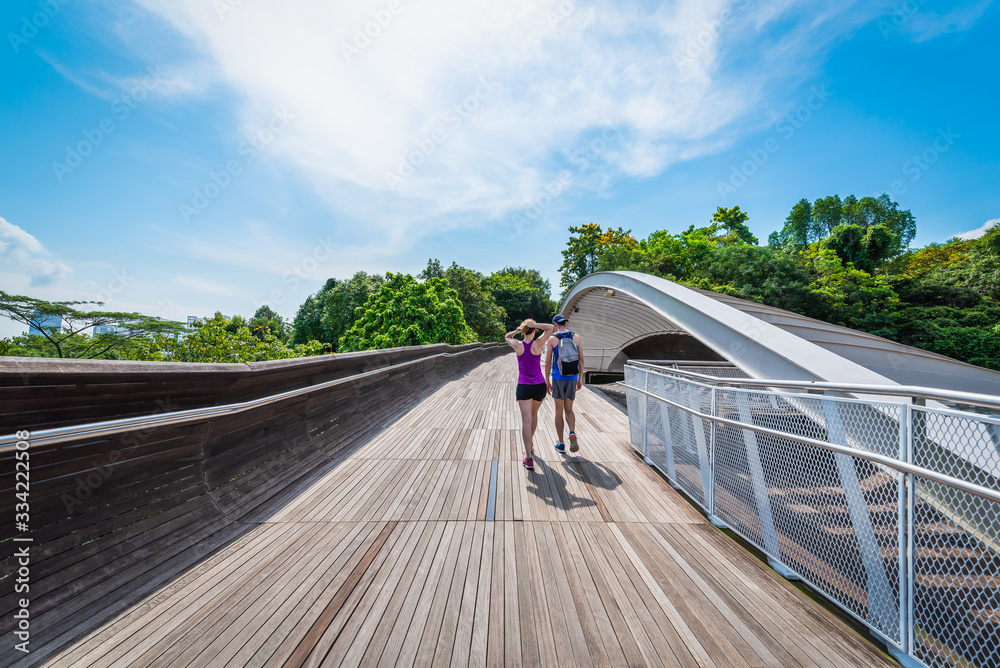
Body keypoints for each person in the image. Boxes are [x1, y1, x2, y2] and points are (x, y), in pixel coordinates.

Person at [505, 318, 553, 470]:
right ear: (533, 331)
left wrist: (517, 331)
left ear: (523, 331)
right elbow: (551, 328)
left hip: (524, 386)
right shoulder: (538, 343)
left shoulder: (518, 345)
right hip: (539, 385)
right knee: (534, 415)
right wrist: (536, 325)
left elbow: (507, 337)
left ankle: (529, 457)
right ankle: (530, 442)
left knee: (526, 420)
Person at [544, 313, 584, 453]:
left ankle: (561, 443)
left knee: (558, 410)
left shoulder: (552, 339)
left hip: (558, 377)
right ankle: (572, 432)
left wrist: (547, 380)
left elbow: (548, 361)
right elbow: (581, 360)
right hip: (572, 378)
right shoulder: (576, 337)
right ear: (565, 323)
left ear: (555, 324)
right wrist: (579, 378)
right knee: (569, 409)